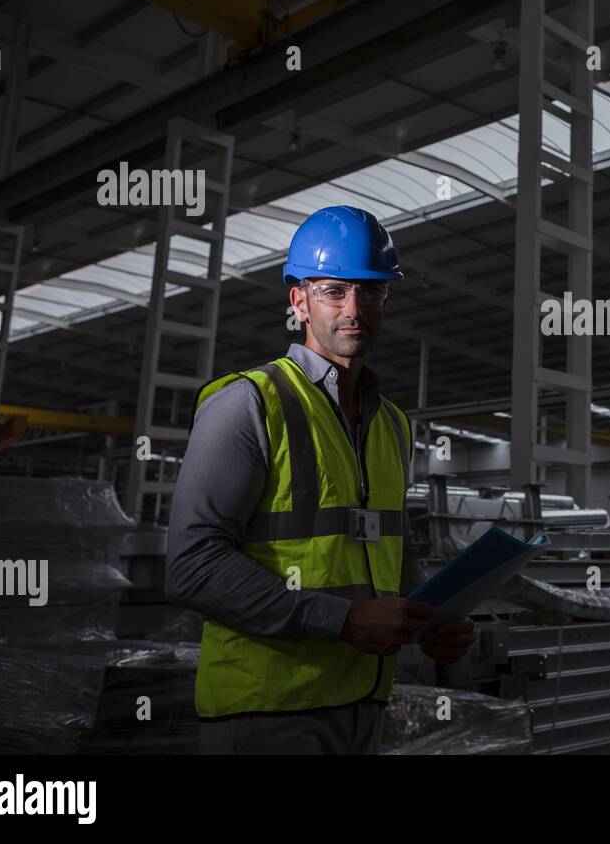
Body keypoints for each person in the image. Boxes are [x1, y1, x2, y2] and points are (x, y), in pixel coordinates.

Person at [166, 205, 474, 753]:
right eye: (334, 291)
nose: (354, 309)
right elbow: (192, 566)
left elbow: (386, 550)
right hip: (268, 708)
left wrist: (429, 620)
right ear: (298, 300)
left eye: (371, 291)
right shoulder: (248, 403)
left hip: (363, 704)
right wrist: (343, 621)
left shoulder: (393, 424)